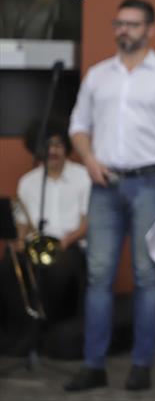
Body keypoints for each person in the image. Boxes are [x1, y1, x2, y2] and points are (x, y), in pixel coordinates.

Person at [64, 0, 155, 392]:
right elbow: (78, 125)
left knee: (145, 275)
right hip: (104, 185)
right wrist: (88, 158)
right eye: (119, 23)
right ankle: (94, 365)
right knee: (98, 275)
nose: (124, 30)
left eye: (133, 24)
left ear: (150, 30)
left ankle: (141, 364)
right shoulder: (97, 76)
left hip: (151, 184)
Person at [0, 119, 90, 349]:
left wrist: (66, 241)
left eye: (58, 144)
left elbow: (87, 223)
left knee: (57, 270)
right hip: (36, 245)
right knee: (9, 265)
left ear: (66, 147)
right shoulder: (28, 182)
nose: (53, 151)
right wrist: (19, 241)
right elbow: (22, 223)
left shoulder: (82, 177)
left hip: (69, 245)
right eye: (47, 145)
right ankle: (20, 332)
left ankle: (47, 331)